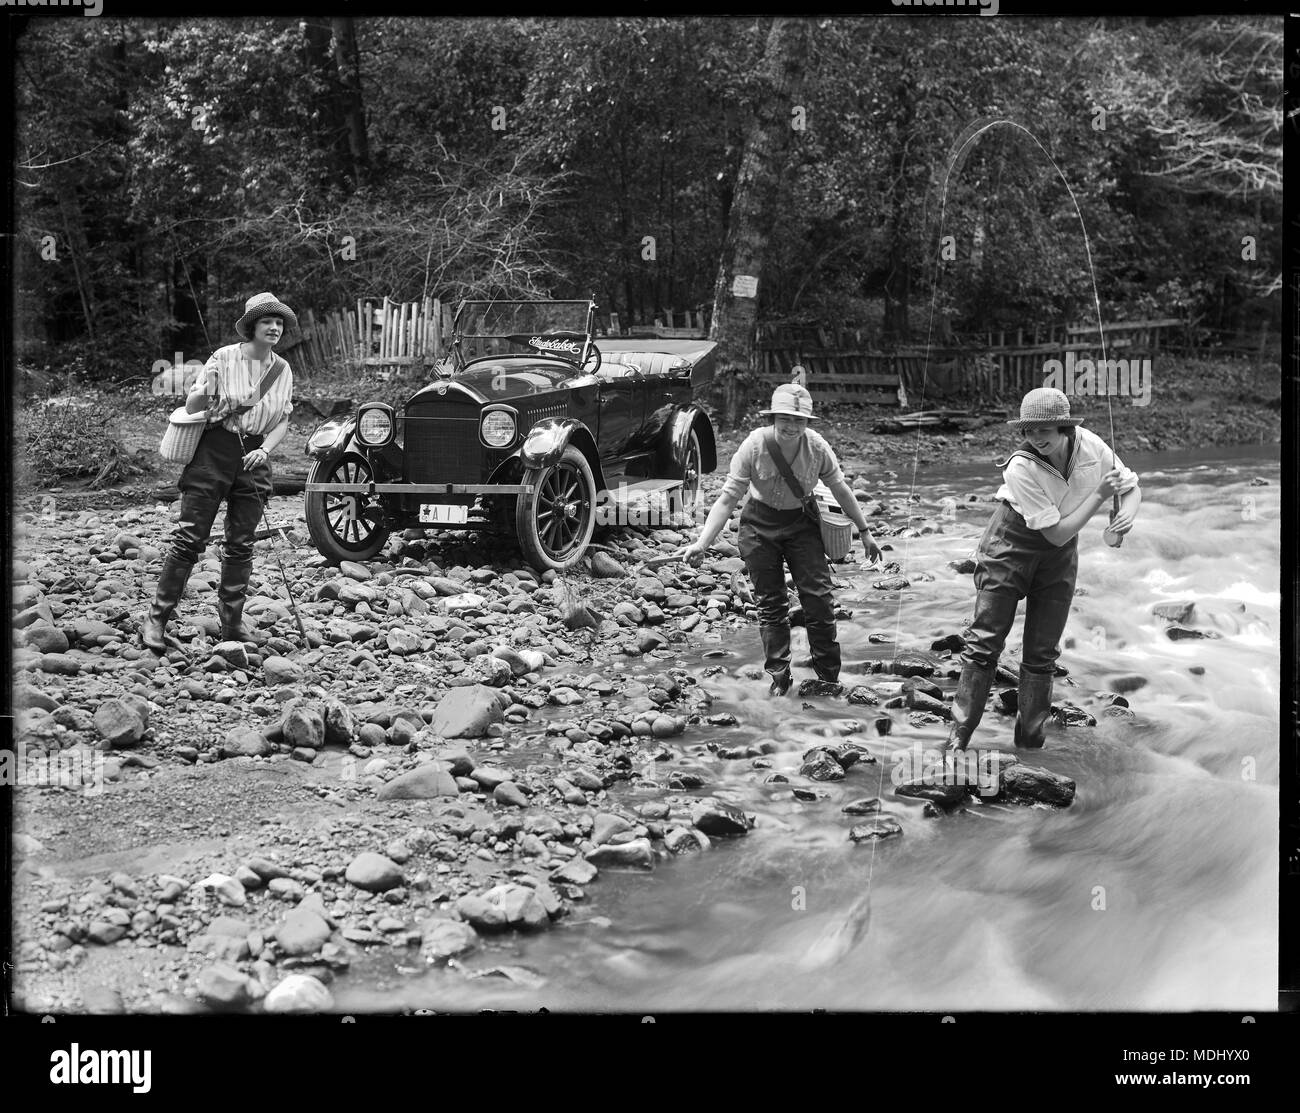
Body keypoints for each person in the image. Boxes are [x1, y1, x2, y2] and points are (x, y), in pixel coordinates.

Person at [947, 386, 1142, 750]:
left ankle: (1030, 742)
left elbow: (1130, 486)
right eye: (1029, 431)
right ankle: (958, 737)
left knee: (1043, 651)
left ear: (1065, 429)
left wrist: (1125, 516)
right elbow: (1054, 533)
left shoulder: (1090, 445)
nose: (1036, 438)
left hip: (1060, 554)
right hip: (1011, 542)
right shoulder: (1020, 466)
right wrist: (1100, 496)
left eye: (1044, 430)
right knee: (985, 642)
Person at [681, 383, 882, 695]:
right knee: (771, 604)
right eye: (785, 419)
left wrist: (865, 532)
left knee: (818, 599)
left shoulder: (817, 447)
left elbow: (841, 489)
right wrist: (702, 543)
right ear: (773, 418)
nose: (791, 427)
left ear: (807, 423)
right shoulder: (754, 445)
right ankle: (779, 677)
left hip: (801, 525)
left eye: (799, 421)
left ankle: (829, 677)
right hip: (759, 527)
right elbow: (727, 499)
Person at [141, 292, 297, 653]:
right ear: (252, 327)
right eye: (267, 322)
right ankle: (156, 620)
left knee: (241, 544)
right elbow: (193, 405)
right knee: (190, 538)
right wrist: (205, 388)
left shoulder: (283, 369)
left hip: (254, 458)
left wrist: (265, 450)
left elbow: (284, 419)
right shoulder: (223, 357)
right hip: (214, 451)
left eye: (279, 323)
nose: (274, 327)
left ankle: (232, 624)